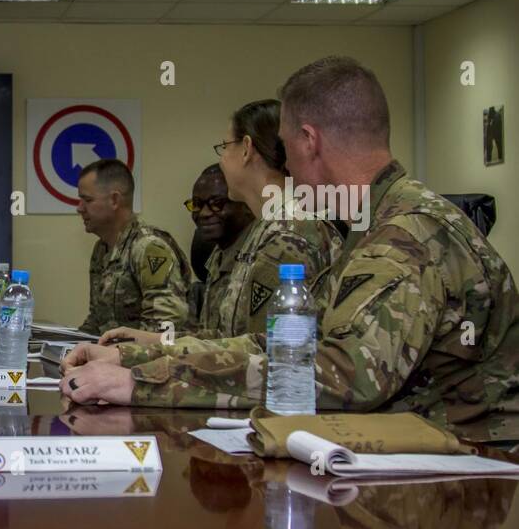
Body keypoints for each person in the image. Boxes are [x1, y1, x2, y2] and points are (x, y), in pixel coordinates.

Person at [61, 56, 519, 439]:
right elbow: (286, 343)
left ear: (309, 140)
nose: (283, 164)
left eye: (284, 145)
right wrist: (137, 357)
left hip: (464, 476)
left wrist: (145, 383)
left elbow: (345, 377)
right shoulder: (373, 223)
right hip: (414, 460)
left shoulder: (404, 236)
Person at [101, 101, 341, 348]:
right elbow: (232, 339)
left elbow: (264, 353)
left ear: (246, 149)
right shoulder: (265, 229)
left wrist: (139, 359)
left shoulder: (290, 235)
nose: (223, 160)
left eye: (225, 147)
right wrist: (157, 341)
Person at [76, 159, 191, 335]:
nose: (79, 208)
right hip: (112, 356)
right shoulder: (102, 249)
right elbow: (97, 322)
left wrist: (117, 354)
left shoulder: (148, 247)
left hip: (145, 359)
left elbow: (164, 327)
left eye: (87, 200)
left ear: (114, 200)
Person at [185, 164, 254, 321]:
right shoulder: (218, 255)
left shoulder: (258, 257)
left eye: (217, 203)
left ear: (246, 205)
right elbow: (212, 336)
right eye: (197, 204)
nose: (204, 213)